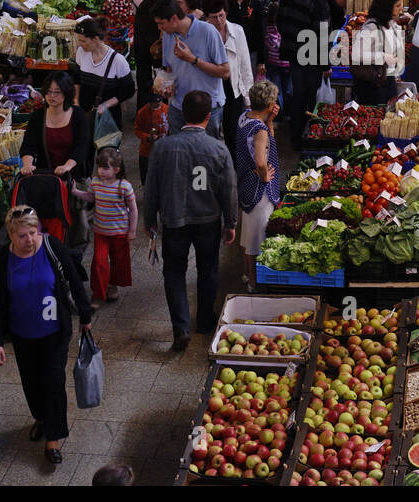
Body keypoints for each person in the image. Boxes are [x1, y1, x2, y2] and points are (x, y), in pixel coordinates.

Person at [0, 206, 93, 464]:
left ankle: (53, 439)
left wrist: (85, 315)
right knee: (31, 381)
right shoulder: (2, 259)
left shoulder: (52, 247)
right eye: (22, 235)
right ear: (11, 235)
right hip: (22, 334)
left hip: (54, 333)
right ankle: (41, 418)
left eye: (33, 233)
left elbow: (74, 281)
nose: (30, 240)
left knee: (54, 382)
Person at [144, 90, 238, 351]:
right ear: (208, 116)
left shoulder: (162, 147)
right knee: (208, 270)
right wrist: (230, 222)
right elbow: (229, 188)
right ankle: (205, 321)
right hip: (208, 220)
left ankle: (181, 328)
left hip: (174, 220)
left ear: (181, 113)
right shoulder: (218, 149)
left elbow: (151, 187)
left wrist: (150, 220)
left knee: (174, 272)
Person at [150, 0, 230, 138]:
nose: (159, 27)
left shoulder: (208, 32)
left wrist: (192, 59)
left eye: (161, 23)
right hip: (178, 108)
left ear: (174, 19)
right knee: (178, 150)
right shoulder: (168, 35)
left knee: (205, 151)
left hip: (206, 110)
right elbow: (169, 68)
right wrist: (167, 85)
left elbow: (225, 72)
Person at [276, 0, 333, 147]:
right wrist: (325, 66)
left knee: (297, 93)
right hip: (310, 59)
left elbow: (280, 22)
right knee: (309, 97)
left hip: (292, 53)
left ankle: (295, 135)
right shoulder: (318, 1)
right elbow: (322, 37)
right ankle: (306, 137)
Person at [234, 80, 281, 278]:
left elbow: (269, 143)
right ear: (269, 105)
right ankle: (254, 282)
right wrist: (265, 176)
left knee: (247, 235)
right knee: (258, 239)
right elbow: (261, 161)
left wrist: (270, 121)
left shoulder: (244, 118)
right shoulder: (259, 130)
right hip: (260, 192)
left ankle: (246, 274)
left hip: (245, 184)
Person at [82, 146, 137, 307]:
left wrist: (132, 230)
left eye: (105, 168)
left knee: (118, 261)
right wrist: (74, 191)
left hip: (120, 232)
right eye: (99, 167)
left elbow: (133, 210)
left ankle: (112, 286)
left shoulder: (124, 186)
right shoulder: (95, 183)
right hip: (101, 232)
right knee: (99, 262)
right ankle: (98, 293)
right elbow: (89, 197)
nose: (101, 171)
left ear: (116, 170)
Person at [203, 0, 253, 152]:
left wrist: (248, 98)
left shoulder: (237, 31)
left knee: (233, 133)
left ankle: (233, 164)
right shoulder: (203, 32)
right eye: (214, 17)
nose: (218, 21)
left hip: (233, 87)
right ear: (207, 17)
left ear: (226, 12)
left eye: (221, 15)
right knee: (211, 132)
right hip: (211, 87)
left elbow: (245, 64)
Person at [19, 72, 92, 182]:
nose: (52, 95)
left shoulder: (78, 115)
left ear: (66, 92)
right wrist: (27, 165)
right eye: (48, 91)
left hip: (74, 178)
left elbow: (82, 147)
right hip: (45, 177)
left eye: (57, 92)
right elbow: (28, 146)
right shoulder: (37, 116)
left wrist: (67, 167)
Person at [129, 0, 176, 111]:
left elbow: (168, 16)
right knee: (142, 74)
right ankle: (142, 110)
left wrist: (163, 39)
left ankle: (161, 113)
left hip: (156, 37)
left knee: (159, 77)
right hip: (140, 33)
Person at [74, 16, 135, 132]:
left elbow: (128, 90)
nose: (79, 44)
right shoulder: (81, 53)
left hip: (108, 118)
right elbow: (76, 78)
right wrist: (76, 101)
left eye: (83, 41)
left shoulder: (117, 61)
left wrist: (105, 105)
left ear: (95, 39)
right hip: (85, 115)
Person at [348, 0, 409, 104]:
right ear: (386, 7)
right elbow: (356, 55)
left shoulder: (391, 23)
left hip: (387, 81)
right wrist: (384, 57)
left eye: (401, 5)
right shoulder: (371, 27)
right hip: (373, 86)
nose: (401, 9)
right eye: (397, 6)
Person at [133, 77, 169, 183]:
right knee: (147, 180)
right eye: (152, 104)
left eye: (158, 103)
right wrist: (147, 137)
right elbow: (137, 129)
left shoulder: (168, 110)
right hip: (147, 152)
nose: (155, 106)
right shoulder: (142, 112)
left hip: (164, 151)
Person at [227, 0, 265, 68]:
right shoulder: (226, 3)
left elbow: (260, 31)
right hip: (231, 50)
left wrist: (261, 61)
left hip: (251, 50)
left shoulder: (255, 2)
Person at [263, 5, 292, 116]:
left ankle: (287, 113)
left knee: (287, 90)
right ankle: (279, 115)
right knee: (277, 91)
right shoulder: (269, 29)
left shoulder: (287, 27)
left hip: (286, 64)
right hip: (274, 64)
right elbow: (272, 44)